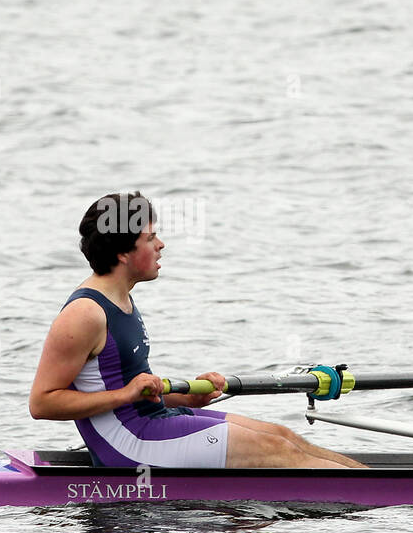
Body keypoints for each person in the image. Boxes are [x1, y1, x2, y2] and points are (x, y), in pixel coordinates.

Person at [29, 192, 365, 469]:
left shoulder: (122, 300)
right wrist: (126, 395)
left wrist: (188, 397)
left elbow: (128, 390)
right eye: (150, 238)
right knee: (276, 451)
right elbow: (42, 403)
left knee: (282, 437)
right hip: (131, 445)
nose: (161, 245)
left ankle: (376, 484)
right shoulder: (84, 314)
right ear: (123, 253)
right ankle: (387, 499)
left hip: (155, 420)